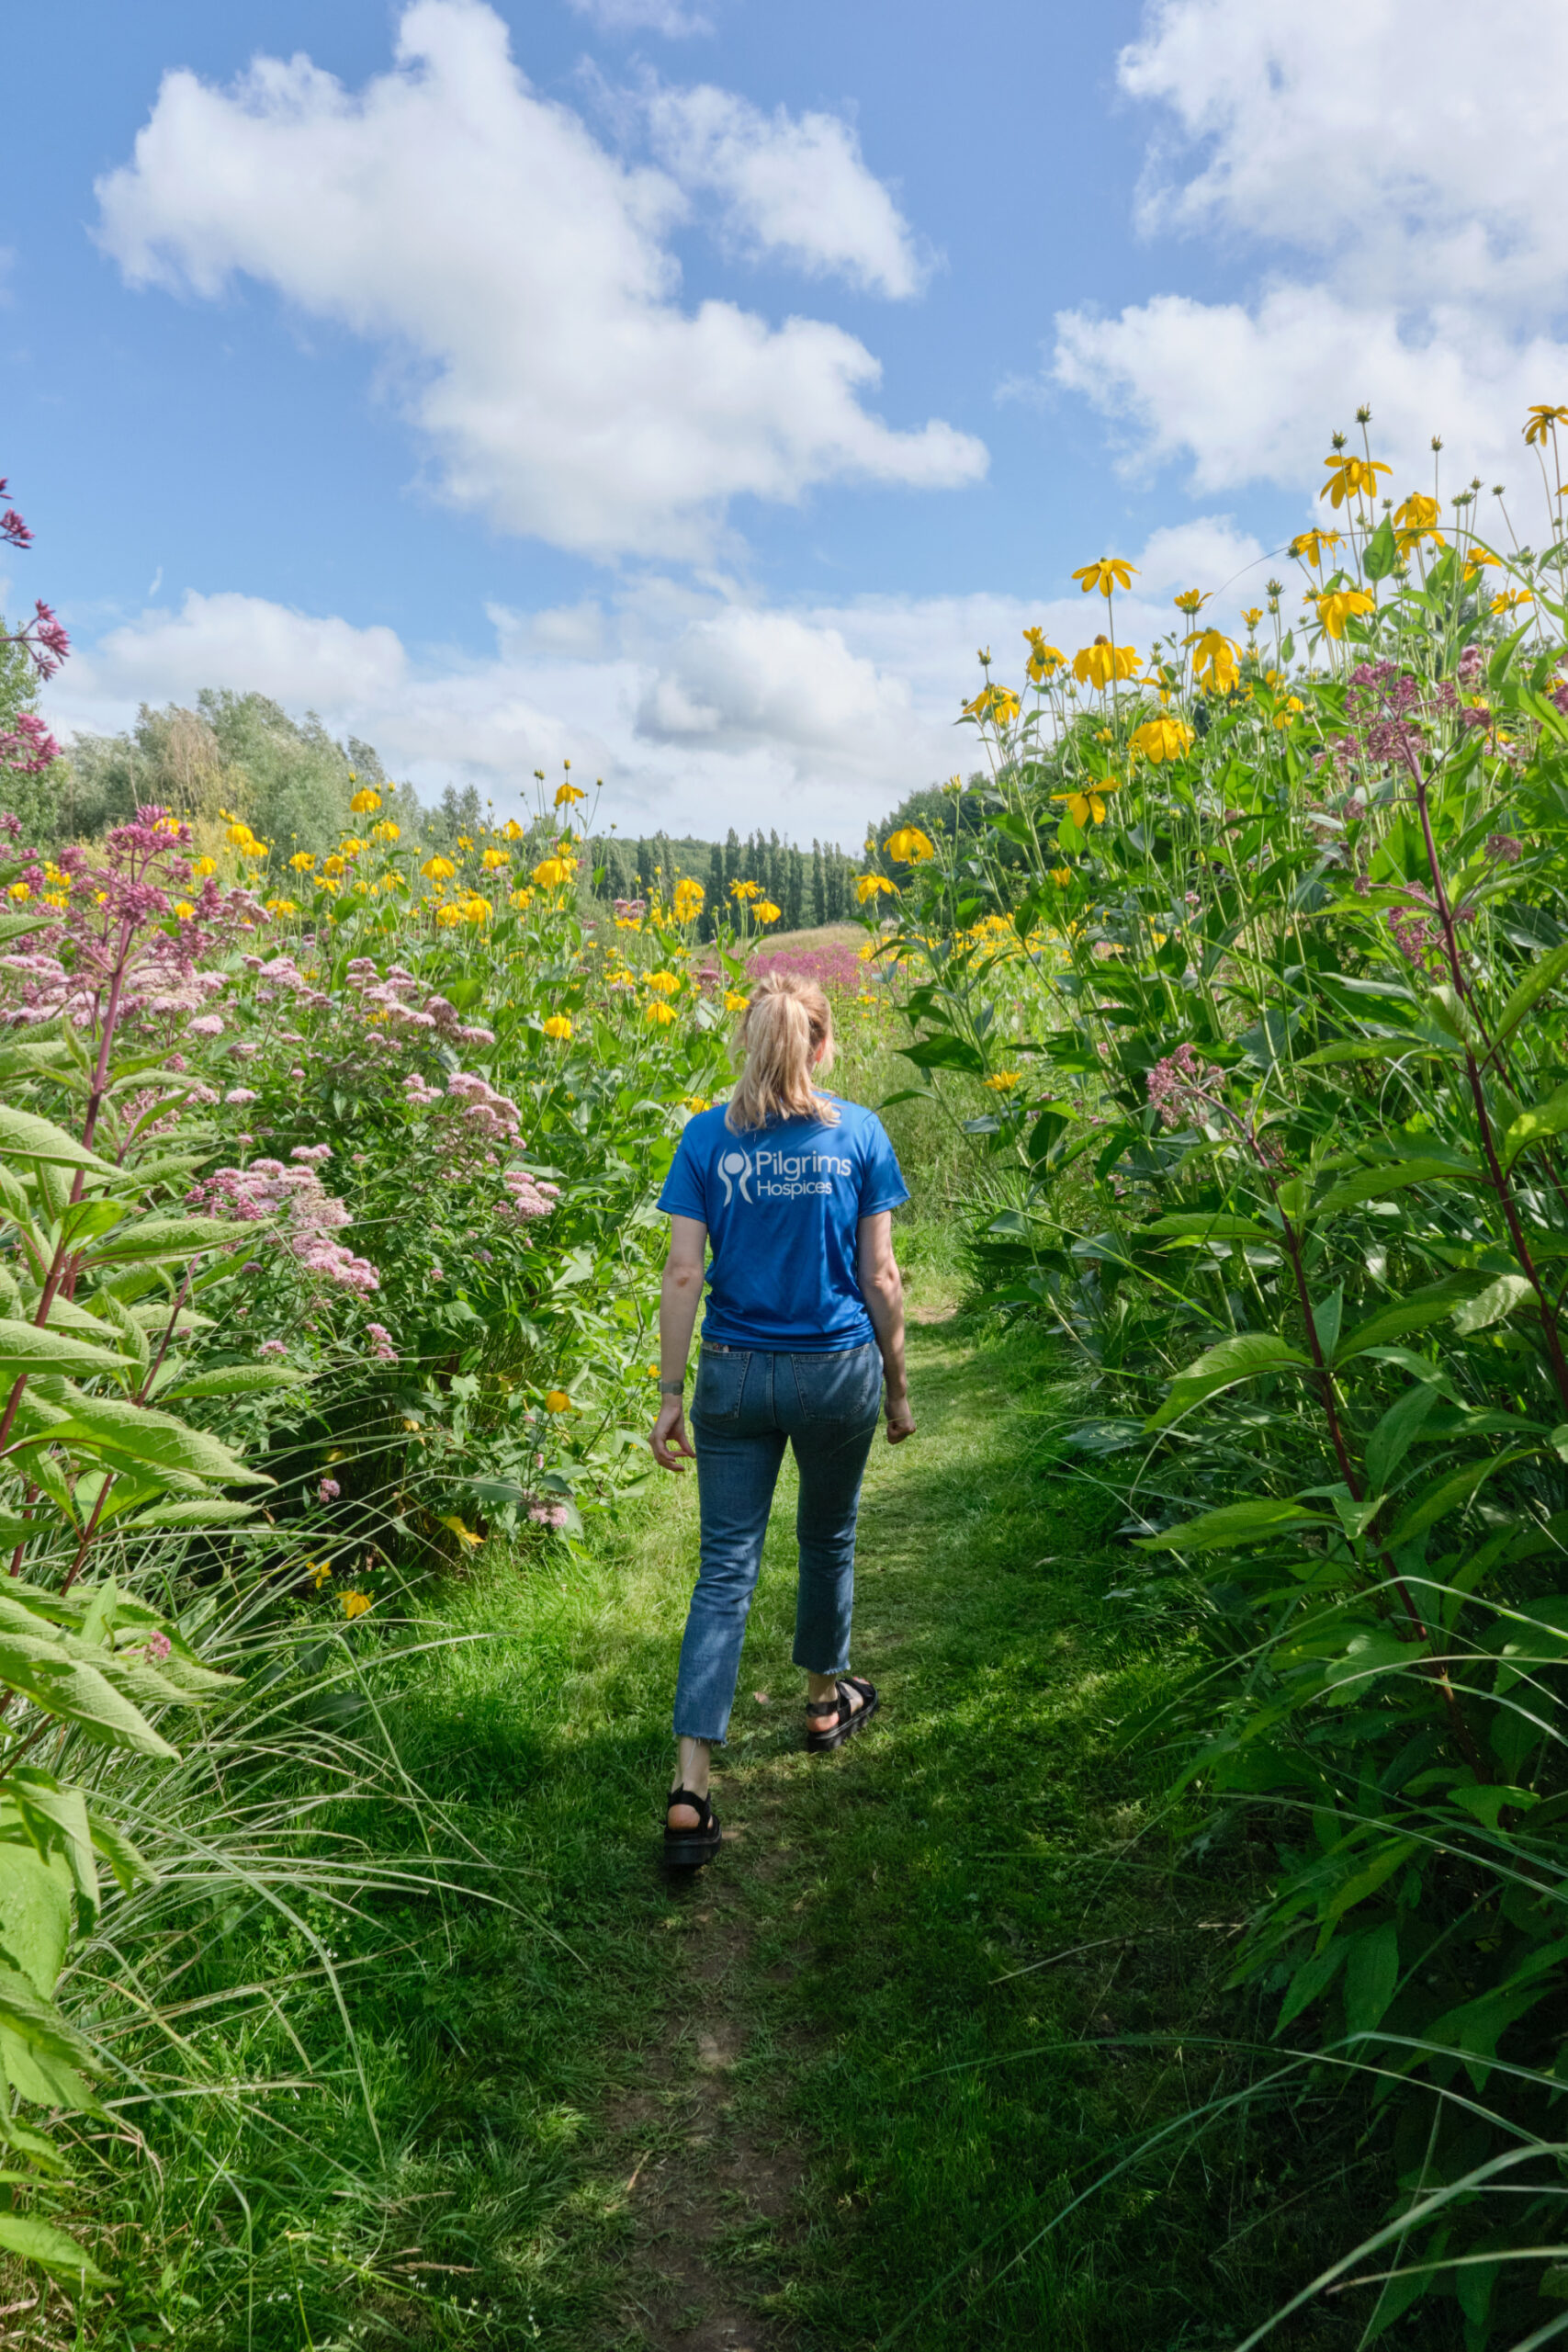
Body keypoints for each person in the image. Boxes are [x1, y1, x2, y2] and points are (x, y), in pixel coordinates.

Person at [649, 967, 915, 1868]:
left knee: (725, 1568)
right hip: (836, 1370)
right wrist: (899, 1386)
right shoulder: (859, 1133)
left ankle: (690, 1789)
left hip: (733, 1372)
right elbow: (881, 1276)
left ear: (748, 1044)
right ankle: (823, 1701)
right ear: (822, 1043)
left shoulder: (705, 1136)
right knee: (827, 1537)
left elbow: (684, 1272)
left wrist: (671, 1394)